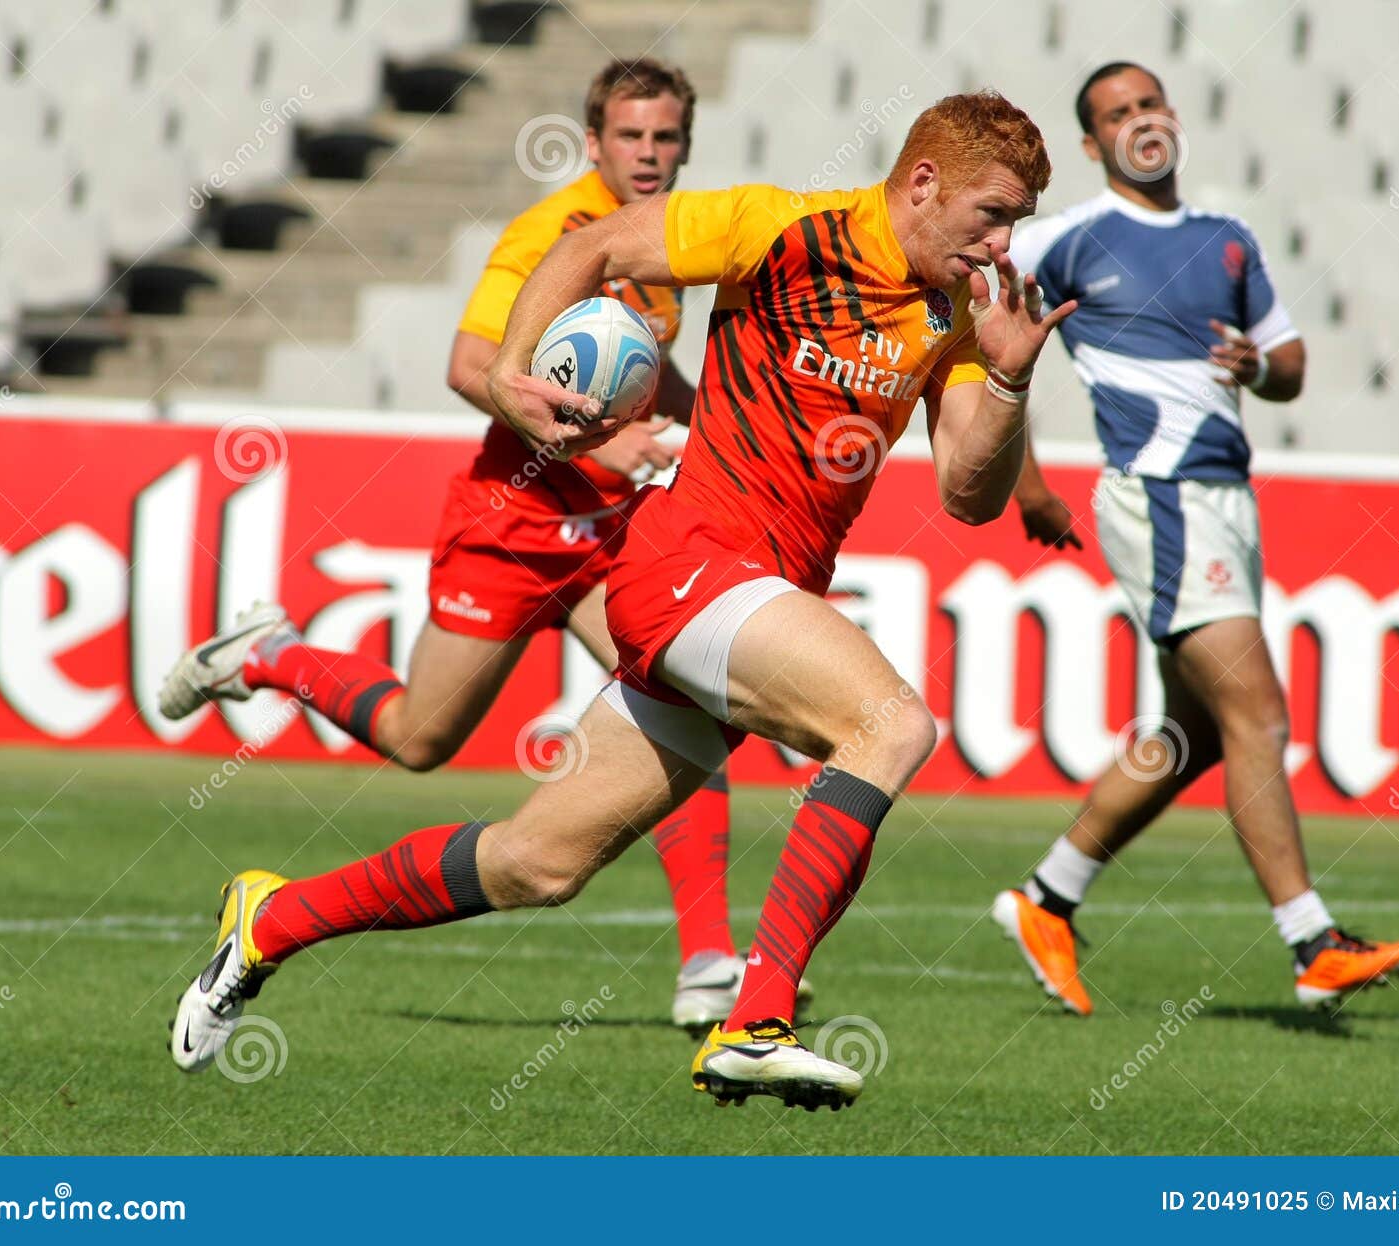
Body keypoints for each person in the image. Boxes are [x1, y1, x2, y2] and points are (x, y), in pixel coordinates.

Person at [168, 90, 1075, 1110]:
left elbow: (967, 495)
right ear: (924, 183)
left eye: (1018, 222)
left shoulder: (956, 315)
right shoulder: (780, 227)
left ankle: (272, 919)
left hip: (744, 597)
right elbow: (594, 245)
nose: (1003, 243)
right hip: (689, 561)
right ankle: (756, 1018)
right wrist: (511, 373)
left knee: (535, 864)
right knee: (890, 724)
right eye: (993, 215)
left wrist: (1006, 385)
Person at [157, 58, 779, 1033]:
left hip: (608, 533)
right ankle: (271, 655)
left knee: (687, 697)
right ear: (593, 142)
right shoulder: (551, 235)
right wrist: (605, 443)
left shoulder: (661, 239)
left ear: (686, 145)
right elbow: (470, 364)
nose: (649, 153)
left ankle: (707, 960)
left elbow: (643, 374)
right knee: (420, 738)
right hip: (513, 521)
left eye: (665, 137)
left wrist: (713, 434)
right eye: (630, 135)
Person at [991, 62, 1399, 1015]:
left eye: (1148, 103)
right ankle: (1313, 943)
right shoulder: (1067, 239)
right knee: (1257, 717)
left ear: (1173, 115)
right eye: (1117, 114)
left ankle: (1046, 898)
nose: (1139, 121)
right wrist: (1025, 483)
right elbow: (989, 348)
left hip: (1227, 497)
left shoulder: (1227, 238)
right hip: (1161, 497)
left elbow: (1293, 366)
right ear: (1093, 144)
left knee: (1189, 736)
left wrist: (1258, 365)